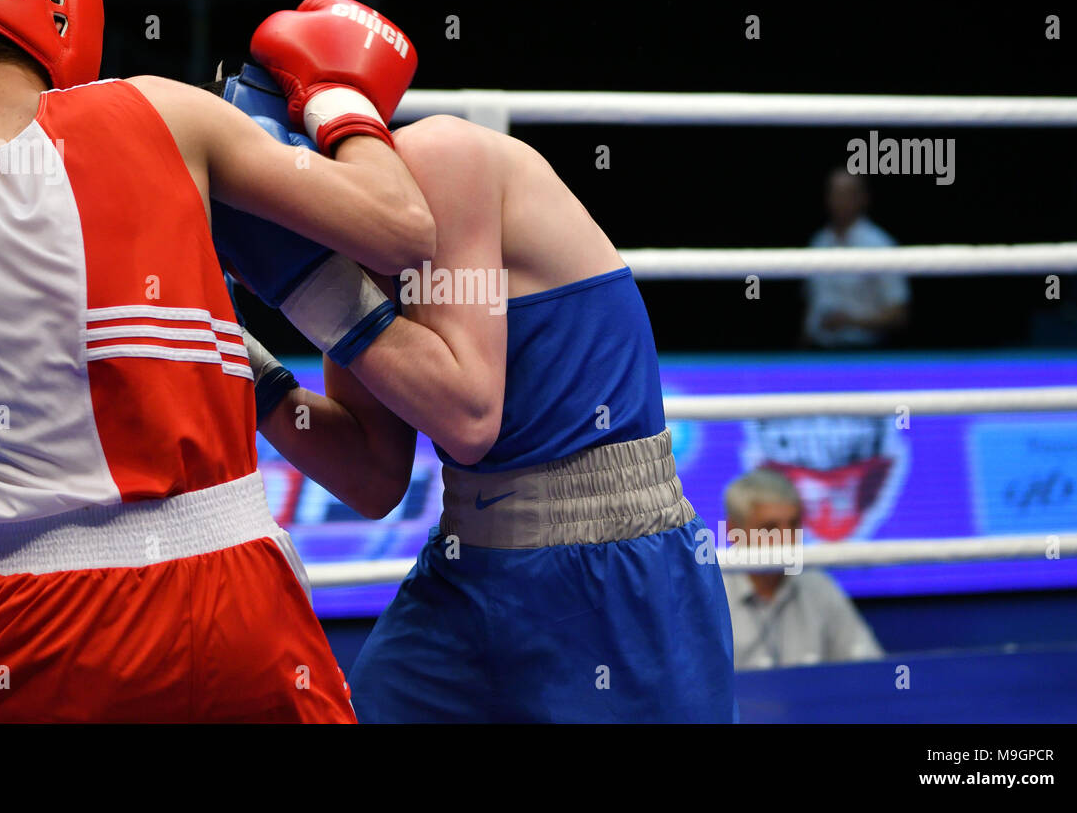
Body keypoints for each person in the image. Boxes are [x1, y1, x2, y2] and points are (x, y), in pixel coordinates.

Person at [0, 0, 434, 721]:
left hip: (40, 633)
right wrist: (338, 99)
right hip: (247, 612)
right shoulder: (164, 113)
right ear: (59, 12)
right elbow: (403, 227)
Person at [211, 38, 737, 722]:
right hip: (469, 575)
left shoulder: (440, 157)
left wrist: (305, 285)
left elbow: (467, 417)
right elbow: (373, 478)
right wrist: (236, 356)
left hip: (612, 572)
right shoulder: (351, 253)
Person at [720, 468, 883, 669]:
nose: (788, 538)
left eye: (794, 524)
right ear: (733, 531)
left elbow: (869, 668)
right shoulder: (707, 597)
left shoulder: (818, 587)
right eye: (770, 528)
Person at [801, 167, 910, 347]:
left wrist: (851, 321)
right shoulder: (818, 242)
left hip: (864, 353)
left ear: (863, 198)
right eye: (835, 193)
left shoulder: (880, 245)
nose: (839, 200)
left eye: (847, 194)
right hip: (818, 351)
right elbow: (811, 305)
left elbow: (899, 315)